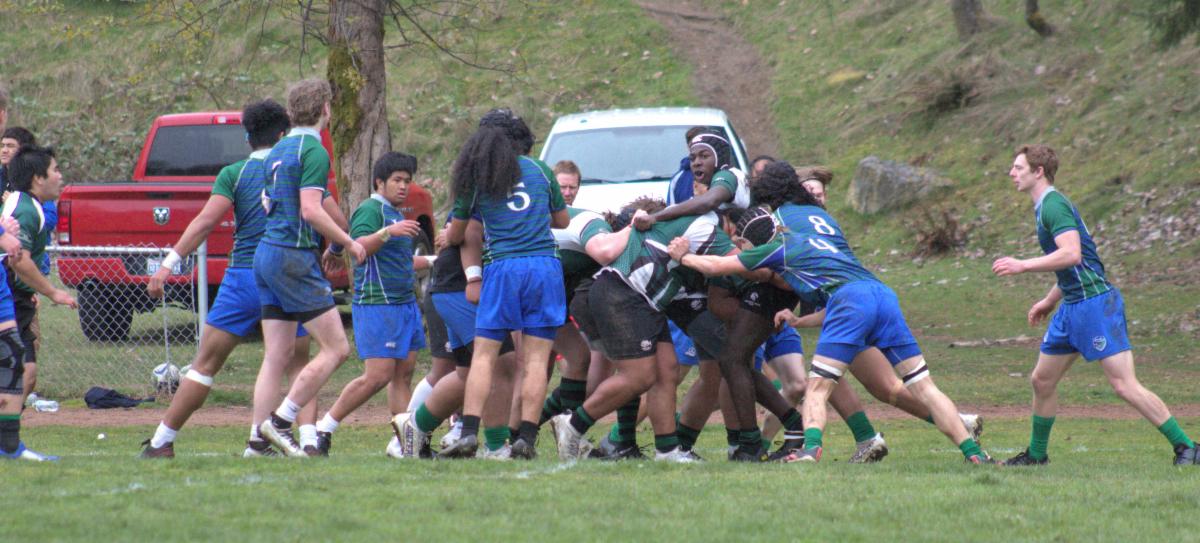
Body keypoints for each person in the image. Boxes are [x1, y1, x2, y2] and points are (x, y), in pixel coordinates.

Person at [671, 161, 991, 464]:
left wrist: (683, 256)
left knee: (818, 386)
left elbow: (720, 264)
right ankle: (974, 453)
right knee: (922, 386)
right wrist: (800, 318)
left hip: (848, 301)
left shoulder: (781, 239)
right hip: (879, 292)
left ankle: (810, 451)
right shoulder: (822, 220)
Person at [993, 144, 1198, 466]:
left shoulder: (1053, 206)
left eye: (1018, 167)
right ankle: (1036, 455)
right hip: (1072, 306)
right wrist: (1049, 300)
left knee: (1123, 385)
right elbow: (1079, 264)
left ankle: (1188, 447)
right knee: (1041, 380)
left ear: (1038, 172)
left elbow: (1072, 254)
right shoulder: (1045, 207)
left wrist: (1023, 265)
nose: (1011, 173)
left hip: (1094, 305)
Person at [139, 99, 321, 458]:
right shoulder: (296, 168)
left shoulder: (234, 173)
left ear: (247, 136)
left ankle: (162, 441)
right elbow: (326, 215)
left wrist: (168, 264)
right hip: (287, 275)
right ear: (284, 133)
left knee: (205, 365)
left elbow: (205, 222)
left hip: (243, 277)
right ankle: (310, 441)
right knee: (298, 364)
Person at [433, 108, 568, 459]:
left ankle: (468, 432)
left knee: (484, 355)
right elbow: (563, 219)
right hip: (543, 267)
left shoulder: (477, 178)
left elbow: (459, 233)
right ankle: (525, 437)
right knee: (537, 359)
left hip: (502, 268)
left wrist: (452, 231)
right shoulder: (539, 169)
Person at [254, 79, 365, 457]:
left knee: (277, 354)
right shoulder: (315, 150)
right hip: (292, 255)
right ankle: (280, 422)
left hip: (266, 253)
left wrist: (337, 238)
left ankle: (257, 442)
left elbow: (317, 201)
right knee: (336, 348)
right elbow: (310, 209)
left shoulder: (278, 149)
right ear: (326, 110)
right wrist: (349, 244)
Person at [312, 152, 431, 456]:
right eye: (397, 180)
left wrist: (438, 260)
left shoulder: (395, 213)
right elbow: (357, 248)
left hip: (404, 303)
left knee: (404, 374)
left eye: (407, 180)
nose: (403, 186)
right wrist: (387, 232)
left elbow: (404, 262)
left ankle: (405, 442)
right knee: (377, 376)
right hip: (378, 304)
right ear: (380, 182)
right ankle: (324, 429)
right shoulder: (371, 209)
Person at [2, 145, 78, 407]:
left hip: (18, 297)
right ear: (38, 178)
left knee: (26, 374)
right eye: (55, 170)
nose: (60, 176)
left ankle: (6, 440)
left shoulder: (31, 206)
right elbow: (18, 260)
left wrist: (30, 290)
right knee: (17, 374)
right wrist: (52, 291)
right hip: (8, 296)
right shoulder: (25, 210)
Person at [665, 126, 707, 205]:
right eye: (694, 145)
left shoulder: (722, 175)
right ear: (688, 147)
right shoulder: (678, 179)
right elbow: (670, 211)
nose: (698, 149)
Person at [1, 127, 36, 197]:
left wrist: (16, 202)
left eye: (10, 146)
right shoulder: (1, 175)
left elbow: (47, 206)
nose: (4, 150)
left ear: (24, 149)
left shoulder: (36, 178)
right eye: (2, 146)